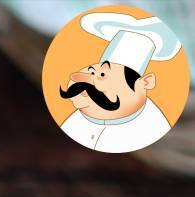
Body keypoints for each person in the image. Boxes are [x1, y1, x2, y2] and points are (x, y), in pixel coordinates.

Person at [59, 12, 183, 153]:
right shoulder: (75, 120)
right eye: (91, 71)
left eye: (102, 75)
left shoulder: (153, 127)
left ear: (146, 83)